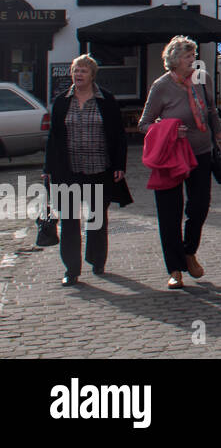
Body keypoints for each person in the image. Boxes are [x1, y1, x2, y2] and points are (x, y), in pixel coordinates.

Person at [139, 35, 221, 290]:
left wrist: (220, 140)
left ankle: (189, 251)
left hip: (201, 152)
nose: (193, 60)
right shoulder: (161, 86)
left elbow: (212, 112)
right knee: (170, 213)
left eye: (194, 55)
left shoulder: (202, 79)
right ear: (175, 60)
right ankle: (175, 269)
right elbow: (144, 123)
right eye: (188, 56)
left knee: (200, 206)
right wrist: (166, 130)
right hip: (171, 158)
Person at [42, 54, 126, 286]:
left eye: (83, 71)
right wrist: (48, 168)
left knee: (96, 218)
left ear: (92, 75)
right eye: (75, 71)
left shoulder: (106, 100)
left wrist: (119, 165)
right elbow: (53, 137)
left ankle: (97, 259)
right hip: (67, 170)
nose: (78, 75)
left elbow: (118, 136)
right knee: (69, 219)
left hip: (99, 168)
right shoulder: (61, 101)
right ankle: (71, 269)